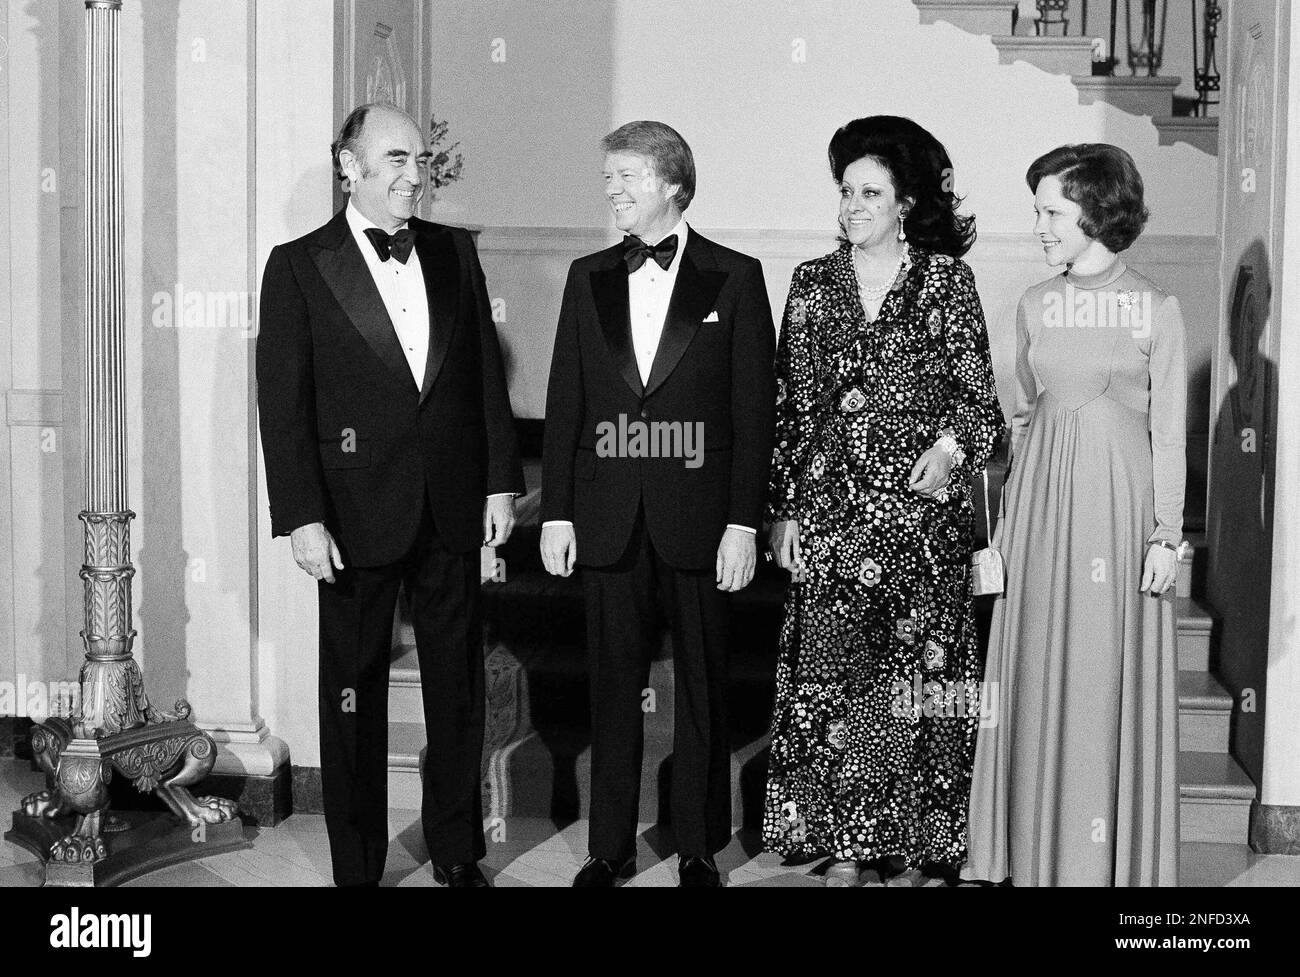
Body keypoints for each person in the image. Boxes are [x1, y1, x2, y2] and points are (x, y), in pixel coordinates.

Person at [256, 102, 524, 888]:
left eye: (422, 160)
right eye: (398, 159)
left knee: (457, 691)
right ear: (351, 166)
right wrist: (302, 516)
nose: (417, 175)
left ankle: (457, 851)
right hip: (349, 517)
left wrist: (503, 480)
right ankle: (357, 866)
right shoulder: (299, 265)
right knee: (352, 700)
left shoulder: (452, 252)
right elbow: (284, 404)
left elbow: (483, 381)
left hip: (450, 505)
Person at [763, 116, 1003, 886]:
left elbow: (979, 401)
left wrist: (949, 451)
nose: (852, 204)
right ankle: (850, 844)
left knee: (914, 683)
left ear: (905, 203)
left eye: (870, 192)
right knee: (838, 684)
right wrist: (783, 510)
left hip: (918, 522)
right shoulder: (811, 282)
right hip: (833, 514)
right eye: (846, 191)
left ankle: (926, 841)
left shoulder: (945, 281)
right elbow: (791, 407)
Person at [540, 120, 776, 887]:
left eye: (627, 176)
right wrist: (560, 512)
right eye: (607, 177)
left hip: (703, 525)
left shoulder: (736, 277)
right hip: (608, 517)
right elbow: (566, 399)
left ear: (673, 182)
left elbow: (753, 415)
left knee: (705, 689)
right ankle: (609, 847)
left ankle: (701, 845)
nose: (611, 191)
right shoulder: (587, 276)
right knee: (611, 689)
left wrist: (744, 520)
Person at [964, 143, 1185, 887]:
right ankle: (1028, 853)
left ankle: (1100, 863)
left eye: (1052, 211)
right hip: (1037, 513)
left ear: (1096, 213)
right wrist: (1001, 526)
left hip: (1118, 515)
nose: (1040, 226)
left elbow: (1171, 432)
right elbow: (1022, 419)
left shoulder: (1156, 306)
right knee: (1032, 678)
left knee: (1100, 676)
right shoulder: (1033, 303)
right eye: (1038, 211)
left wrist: (1167, 533)